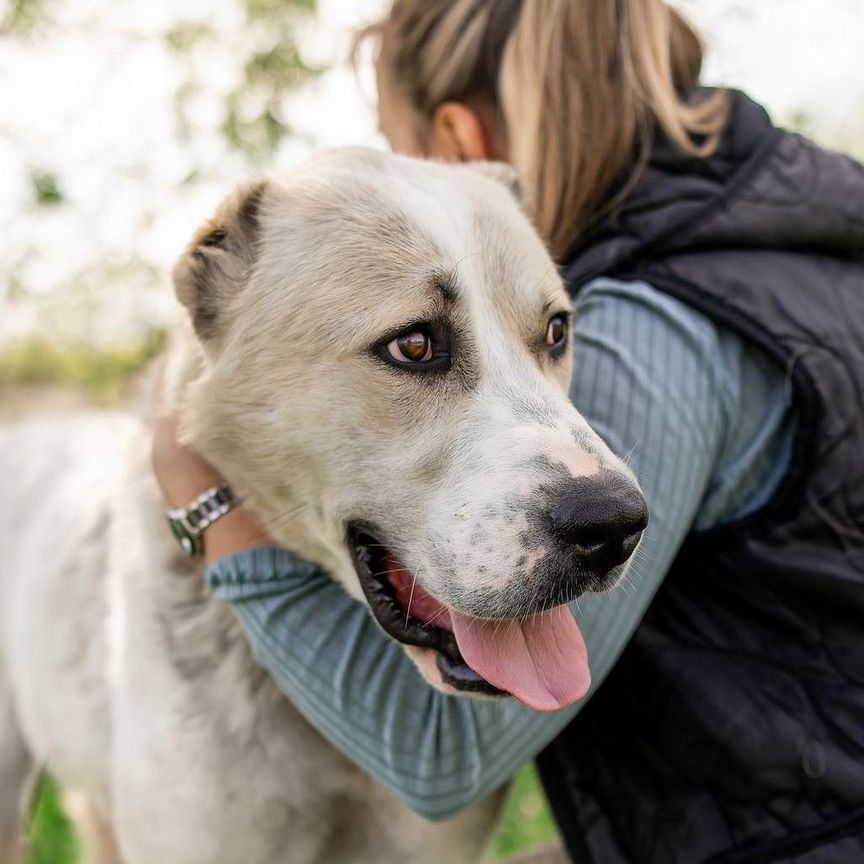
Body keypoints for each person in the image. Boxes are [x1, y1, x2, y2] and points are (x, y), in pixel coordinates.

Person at [153, 1, 864, 861]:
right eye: (415, 347)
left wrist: (205, 504)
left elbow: (444, 758)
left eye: (555, 335)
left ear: (457, 140)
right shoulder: (778, 239)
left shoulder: (663, 317)